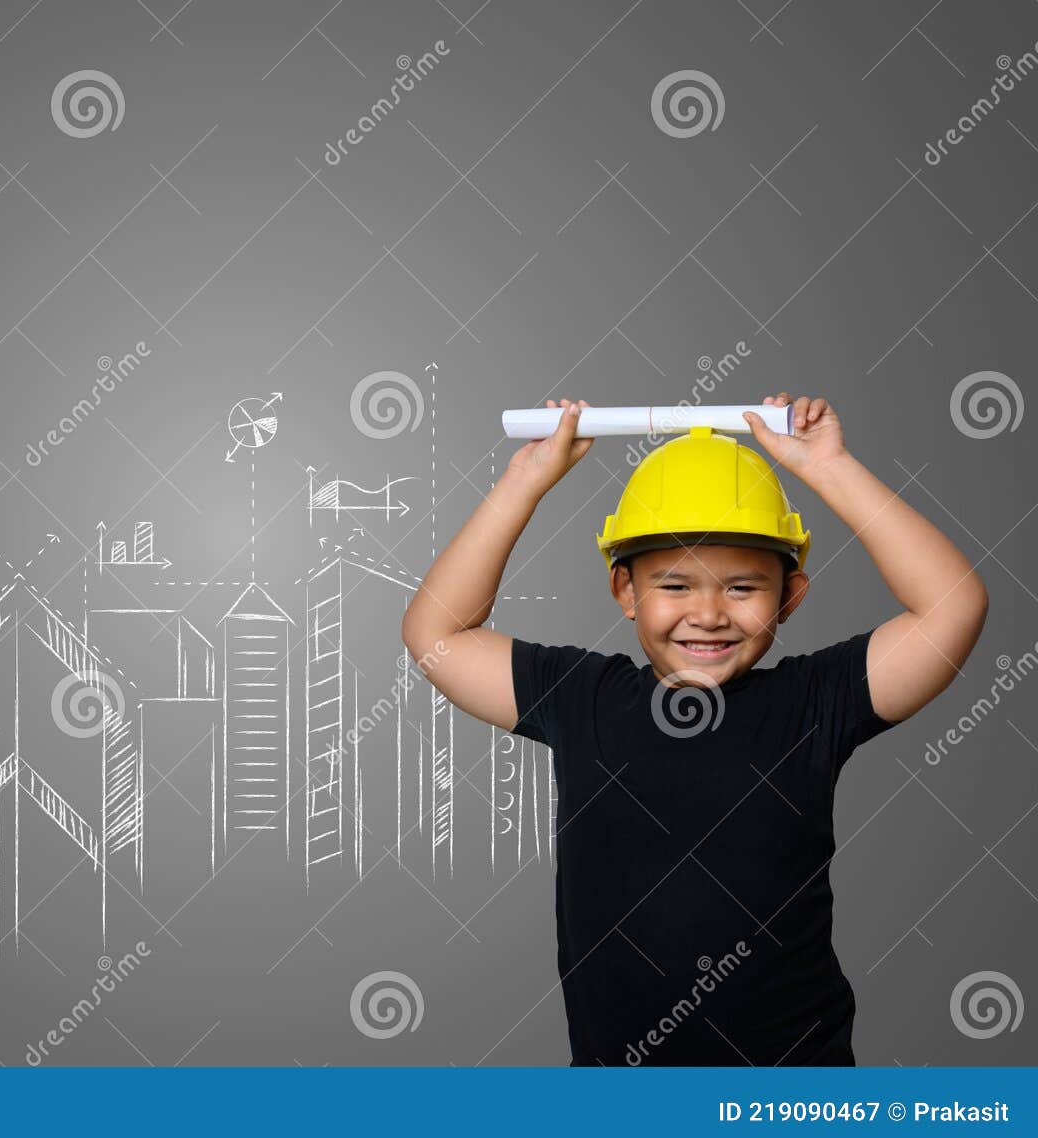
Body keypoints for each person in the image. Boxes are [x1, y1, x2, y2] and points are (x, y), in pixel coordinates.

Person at [401, 392, 988, 1065]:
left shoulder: (815, 701)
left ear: (789, 596)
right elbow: (435, 633)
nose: (708, 613)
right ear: (626, 592)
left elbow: (952, 606)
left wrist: (829, 467)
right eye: (675, 585)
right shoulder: (583, 697)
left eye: (742, 587)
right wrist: (525, 481)